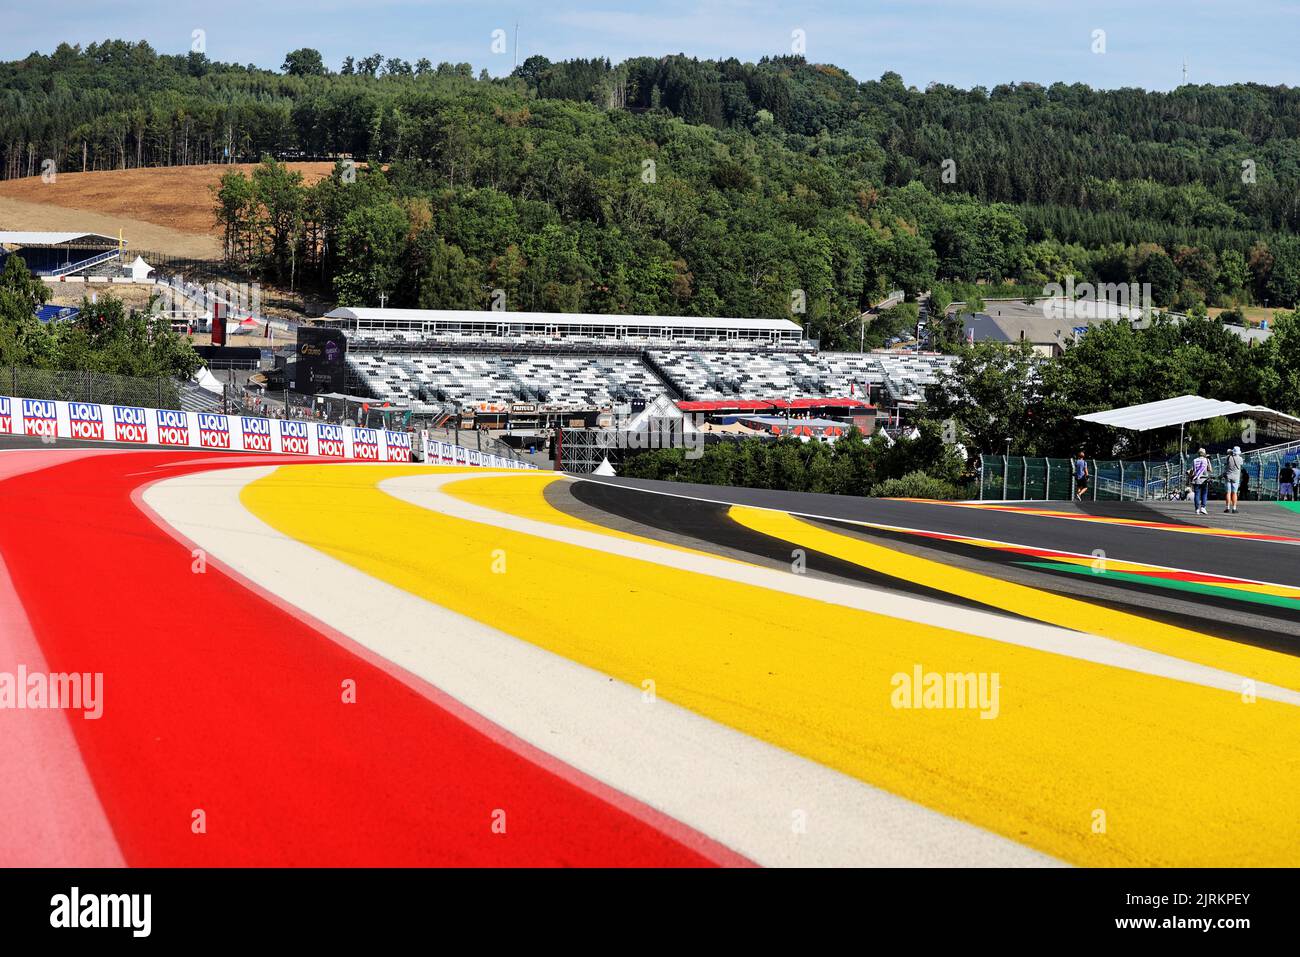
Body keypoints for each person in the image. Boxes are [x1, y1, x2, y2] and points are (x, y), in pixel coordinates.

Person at [1223, 445, 1245, 514]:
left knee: (1228, 492)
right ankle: (1234, 508)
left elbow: (1225, 463)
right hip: (1236, 477)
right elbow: (1241, 464)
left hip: (1228, 476)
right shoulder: (1240, 459)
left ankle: (1227, 508)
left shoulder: (1228, 457)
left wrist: (1230, 453)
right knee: (1234, 493)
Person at [1190, 448, 1211, 515]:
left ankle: (1197, 509)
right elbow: (1210, 469)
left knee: (1197, 494)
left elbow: (1192, 470)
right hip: (1204, 479)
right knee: (1204, 494)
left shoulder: (1194, 460)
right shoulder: (1206, 460)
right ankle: (1203, 507)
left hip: (1197, 479)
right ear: (1204, 453)